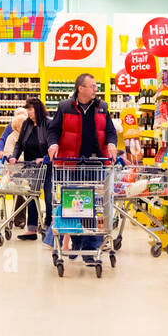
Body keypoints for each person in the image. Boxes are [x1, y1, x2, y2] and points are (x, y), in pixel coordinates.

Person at [46, 73, 119, 256]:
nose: (96, 89)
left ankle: (89, 248)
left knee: (95, 205)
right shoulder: (65, 107)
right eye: (92, 86)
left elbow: (110, 131)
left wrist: (111, 143)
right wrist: (53, 144)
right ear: (81, 88)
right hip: (72, 164)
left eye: (96, 86)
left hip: (96, 163)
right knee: (74, 204)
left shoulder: (102, 107)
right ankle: (75, 242)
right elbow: (53, 130)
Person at [12, 96, 51, 240]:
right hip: (31, 165)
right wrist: (14, 156)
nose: (28, 112)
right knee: (32, 197)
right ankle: (32, 229)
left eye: (31, 109)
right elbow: (19, 143)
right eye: (27, 109)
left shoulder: (48, 123)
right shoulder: (26, 124)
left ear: (38, 109)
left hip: (47, 166)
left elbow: (54, 144)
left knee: (49, 197)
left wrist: (45, 157)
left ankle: (48, 227)